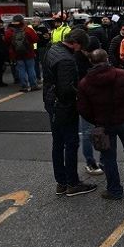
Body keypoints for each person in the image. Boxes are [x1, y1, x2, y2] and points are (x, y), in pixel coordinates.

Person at [77, 48, 124, 200]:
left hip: (103, 124)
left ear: (91, 62)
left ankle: (114, 190)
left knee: (108, 157)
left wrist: (96, 120)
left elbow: (83, 109)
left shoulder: (85, 83)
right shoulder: (122, 75)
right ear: (107, 59)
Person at [43, 28, 96, 197]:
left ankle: (61, 182)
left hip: (51, 103)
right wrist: (81, 94)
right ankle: (72, 183)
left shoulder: (53, 49)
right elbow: (66, 89)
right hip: (64, 107)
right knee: (71, 143)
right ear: (76, 44)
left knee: (57, 143)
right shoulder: (67, 59)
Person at [5, 15, 40, 93]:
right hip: (29, 52)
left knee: (21, 70)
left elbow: (6, 41)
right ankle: (33, 85)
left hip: (16, 54)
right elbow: (36, 39)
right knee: (31, 68)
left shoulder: (9, 31)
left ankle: (24, 86)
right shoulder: (27, 29)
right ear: (22, 21)